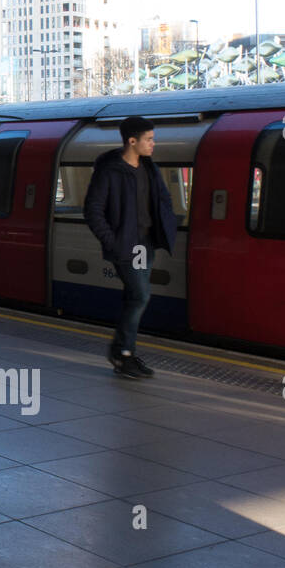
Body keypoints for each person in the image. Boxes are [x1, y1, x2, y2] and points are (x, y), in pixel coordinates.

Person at [83, 116, 177, 380]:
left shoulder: (149, 168)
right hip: (129, 246)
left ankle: (125, 351)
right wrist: (114, 243)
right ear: (132, 141)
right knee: (140, 296)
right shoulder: (110, 171)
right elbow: (93, 211)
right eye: (149, 139)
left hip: (146, 243)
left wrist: (166, 224)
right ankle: (122, 353)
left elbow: (163, 199)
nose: (153, 144)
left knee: (134, 296)